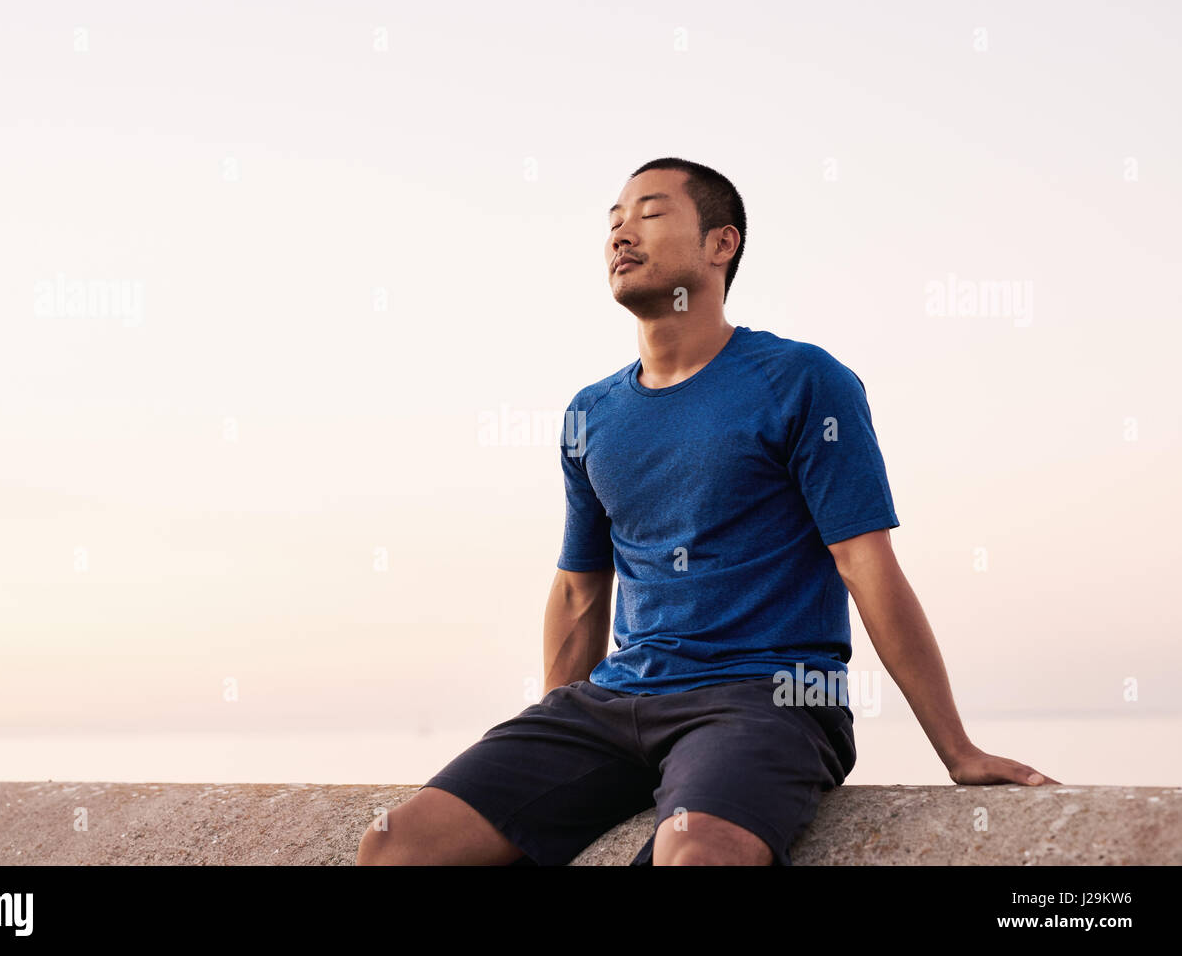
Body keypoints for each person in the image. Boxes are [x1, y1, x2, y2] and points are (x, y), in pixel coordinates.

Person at [356, 157, 1059, 866]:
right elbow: (578, 589)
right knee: (394, 845)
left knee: (697, 853)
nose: (622, 233)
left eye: (651, 213)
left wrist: (957, 749)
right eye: (614, 220)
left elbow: (866, 564)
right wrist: (561, 750)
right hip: (618, 699)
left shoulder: (803, 381)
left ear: (722, 245)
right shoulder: (590, 414)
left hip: (766, 697)